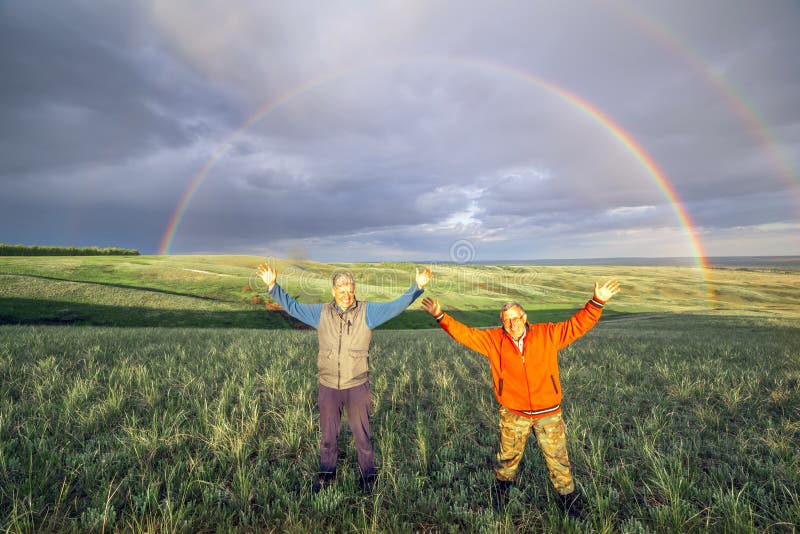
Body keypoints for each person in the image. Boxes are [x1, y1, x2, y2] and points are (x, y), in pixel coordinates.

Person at [421, 279, 620, 515]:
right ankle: (501, 496)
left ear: (524, 318)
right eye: (507, 320)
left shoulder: (547, 334)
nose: (512, 323)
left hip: (548, 412)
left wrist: (597, 302)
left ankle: (569, 503)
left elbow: (576, 325)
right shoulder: (494, 340)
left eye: (516, 318)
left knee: (558, 459)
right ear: (502, 322)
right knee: (507, 458)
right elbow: (465, 334)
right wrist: (440, 316)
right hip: (514, 412)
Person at [258, 263, 432, 493]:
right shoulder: (320, 313)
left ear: (354, 290)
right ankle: (326, 475)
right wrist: (273, 286)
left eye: (350, 290)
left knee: (363, 436)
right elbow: (293, 307)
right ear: (333, 291)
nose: (346, 295)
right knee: (328, 437)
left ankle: (368, 477)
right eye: (341, 290)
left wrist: (416, 287)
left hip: (357, 385)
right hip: (328, 386)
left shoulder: (367, 312)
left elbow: (394, 307)